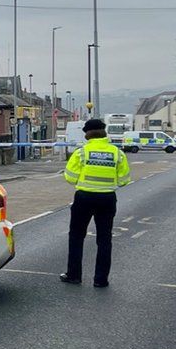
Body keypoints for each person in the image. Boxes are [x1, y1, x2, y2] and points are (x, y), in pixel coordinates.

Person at [61, 119, 131, 287]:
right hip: (107, 199)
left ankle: (74, 275)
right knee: (104, 239)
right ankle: (101, 280)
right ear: (104, 133)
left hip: (84, 197)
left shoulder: (81, 152)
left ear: (87, 134)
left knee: (77, 236)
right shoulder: (117, 153)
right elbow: (124, 180)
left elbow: (69, 176)